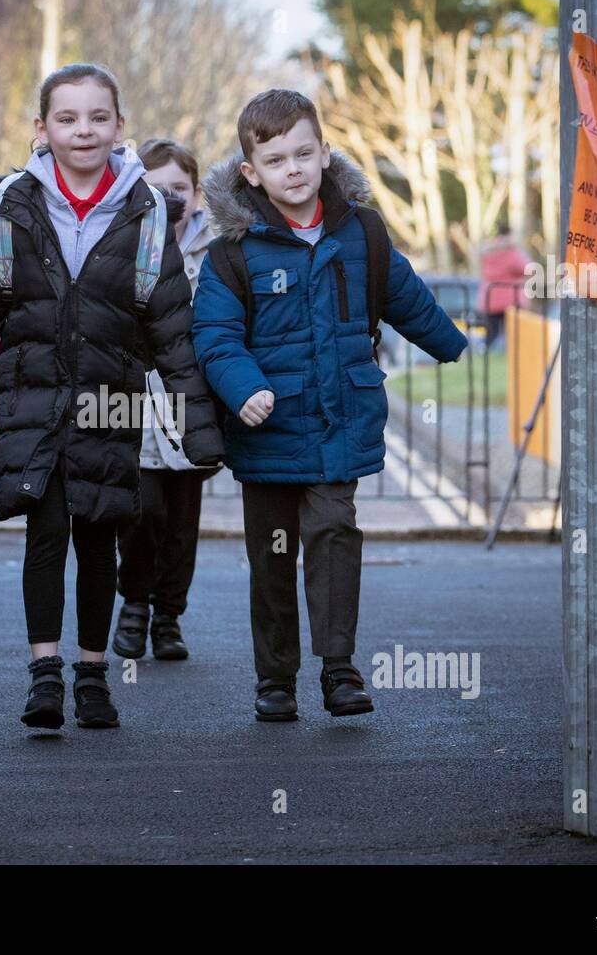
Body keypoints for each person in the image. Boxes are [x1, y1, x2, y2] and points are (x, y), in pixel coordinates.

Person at [0, 64, 224, 730]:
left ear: (119, 126)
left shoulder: (145, 211)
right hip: (32, 400)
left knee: (99, 538)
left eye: (98, 117)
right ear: (41, 128)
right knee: (44, 534)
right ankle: (44, 674)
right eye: (68, 118)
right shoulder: (12, 206)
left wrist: (199, 428)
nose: (84, 131)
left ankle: (93, 673)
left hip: (111, 403)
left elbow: (171, 331)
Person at [192, 89, 467, 722]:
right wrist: (243, 387)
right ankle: (276, 677)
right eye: (277, 159)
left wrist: (450, 344)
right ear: (250, 171)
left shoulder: (360, 229)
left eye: (304, 153)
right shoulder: (233, 250)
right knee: (275, 552)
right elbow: (214, 336)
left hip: (340, 419)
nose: (293, 169)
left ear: (323, 153)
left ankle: (338, 668)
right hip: (267, 429)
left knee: (334, 533)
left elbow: (402, 292)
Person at [111, 138, 221, 662]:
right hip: (133, 404)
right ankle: (134, 604)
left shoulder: (217, 255)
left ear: (196, 195)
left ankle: (169, 617)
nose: (170, 199)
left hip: (193, 406)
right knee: (142, 510)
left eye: (178, 188)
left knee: (181, 521)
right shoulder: (122, 246)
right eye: (157, 189)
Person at [476, 223, 531, 347]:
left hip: (490, 297)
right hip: (511, 298)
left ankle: (484, 350)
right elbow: (528, 268)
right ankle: (513, 352)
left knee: (492, 332)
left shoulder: (487, 252)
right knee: (514, 332)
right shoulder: (511, 252)